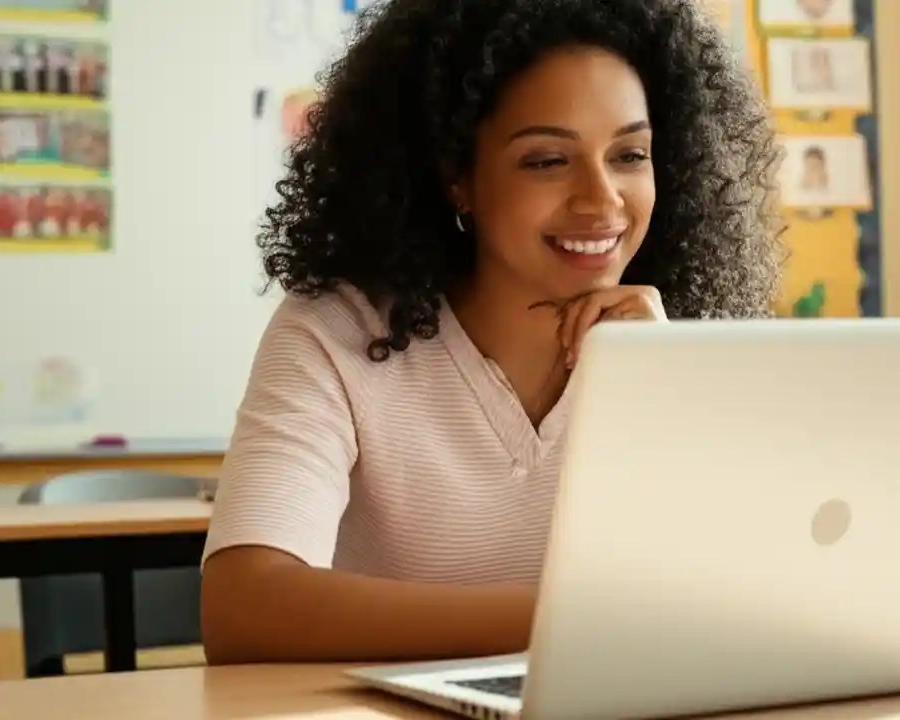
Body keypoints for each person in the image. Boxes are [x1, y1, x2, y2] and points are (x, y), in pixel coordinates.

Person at [200, 0, 783, 665]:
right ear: (458, 179)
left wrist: (669, 384)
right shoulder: (336, 333)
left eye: (630, 154)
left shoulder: (675, 350)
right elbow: (243, 607)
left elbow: (745, 599)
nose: (602, 199)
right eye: (546, 161)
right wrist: (571, 621)